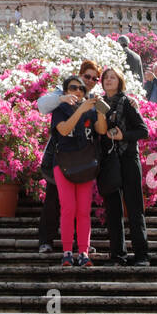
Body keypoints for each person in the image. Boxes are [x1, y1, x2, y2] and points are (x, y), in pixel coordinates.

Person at [36, 61, 101, 253]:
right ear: (80, 74)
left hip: (84, 158)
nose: (89, 81)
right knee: (54, 198)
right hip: (61, 156)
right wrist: (62, 98)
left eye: (94, 79)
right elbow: (42, 105)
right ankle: (46, 240)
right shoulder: (63, 92)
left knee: (81, 207)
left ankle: (83, 245)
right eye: (87, 76)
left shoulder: (90, 100)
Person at [47, 75, 108, 267]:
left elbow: (101, 130)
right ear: (65, 91)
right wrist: (80, 110)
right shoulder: (60, 110)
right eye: (73, 88)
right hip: (64, 163)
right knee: (68, 208)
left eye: (81, 89)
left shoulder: (89, 110)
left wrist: (100, 111)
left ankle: (83, 252)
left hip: (86, 163)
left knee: (83, 210)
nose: (78, 92)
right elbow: (64, 130)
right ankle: (67, 252)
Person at [96, 68, 150, 266]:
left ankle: (142, 255)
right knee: (113, 210)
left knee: (135, 208)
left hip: (128, 159)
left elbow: (143, 130)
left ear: (119, 82)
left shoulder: (126, 102)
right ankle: (117, 255)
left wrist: (122, 136)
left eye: (113, 78)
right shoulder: (98, 104)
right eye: (106, 78)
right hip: (109, 161)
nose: (109, 81)